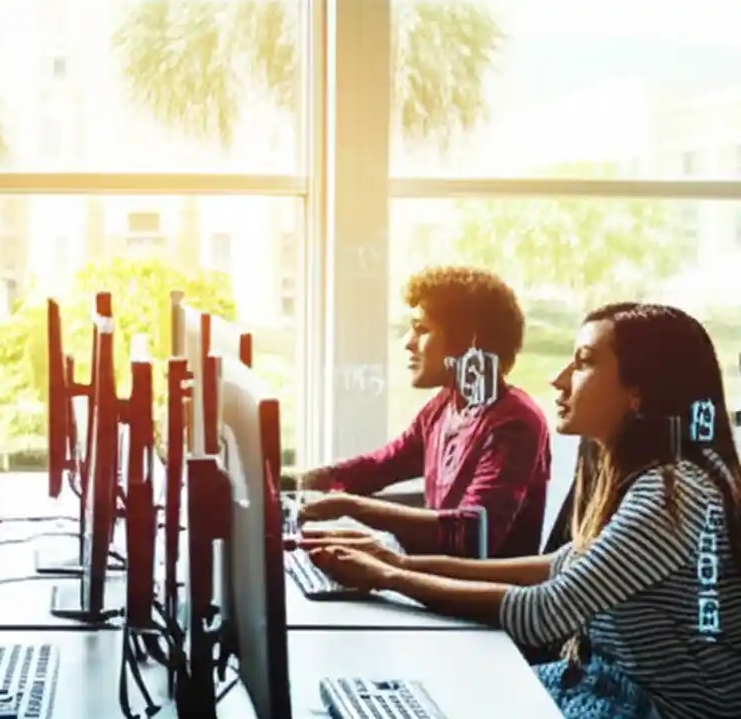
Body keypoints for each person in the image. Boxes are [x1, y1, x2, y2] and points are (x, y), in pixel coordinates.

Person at [303, 303, 741, 718]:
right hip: (602, 682)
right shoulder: (647, 473)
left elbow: (541, 614)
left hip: (646, 707)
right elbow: (560, 566)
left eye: (584, 362)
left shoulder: (673, 493)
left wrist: (388, 578)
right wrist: (395, 560)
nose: (558, 378)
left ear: (638, 394)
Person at [296, 266, 550, 557]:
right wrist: (297, 481)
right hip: (436, 585)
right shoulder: (444, 406)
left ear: (470, 341)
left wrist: (349, 507)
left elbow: (471, 537)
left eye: (421, 329)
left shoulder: (514, 422)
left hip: (479, 599)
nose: (408, 342)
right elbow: (382, 465)